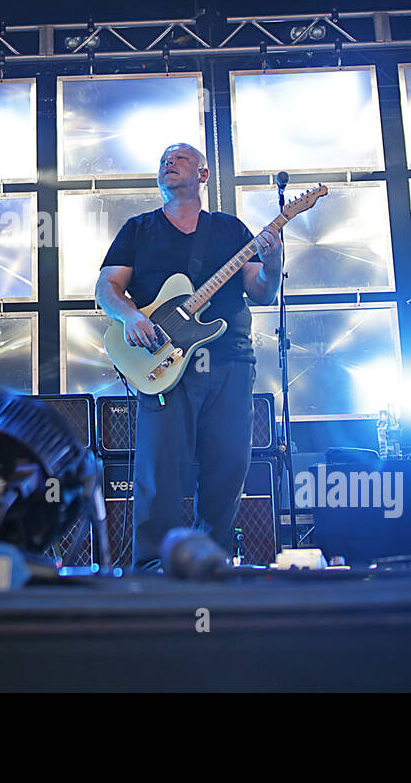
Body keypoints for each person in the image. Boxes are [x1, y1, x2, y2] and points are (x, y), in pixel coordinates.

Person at [95, 143, 282, 572]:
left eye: (179, 158)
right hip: (161, 364)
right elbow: (108, 288)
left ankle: (212, 565)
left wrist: (272, 260)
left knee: (228, 469)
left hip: (230, 361)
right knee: (158, 475)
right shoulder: (138, 229)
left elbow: (262, 291)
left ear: (203, 174)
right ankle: (152, 572)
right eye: (163, 159)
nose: (168, 163)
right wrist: (127, 317)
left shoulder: (231, 230)